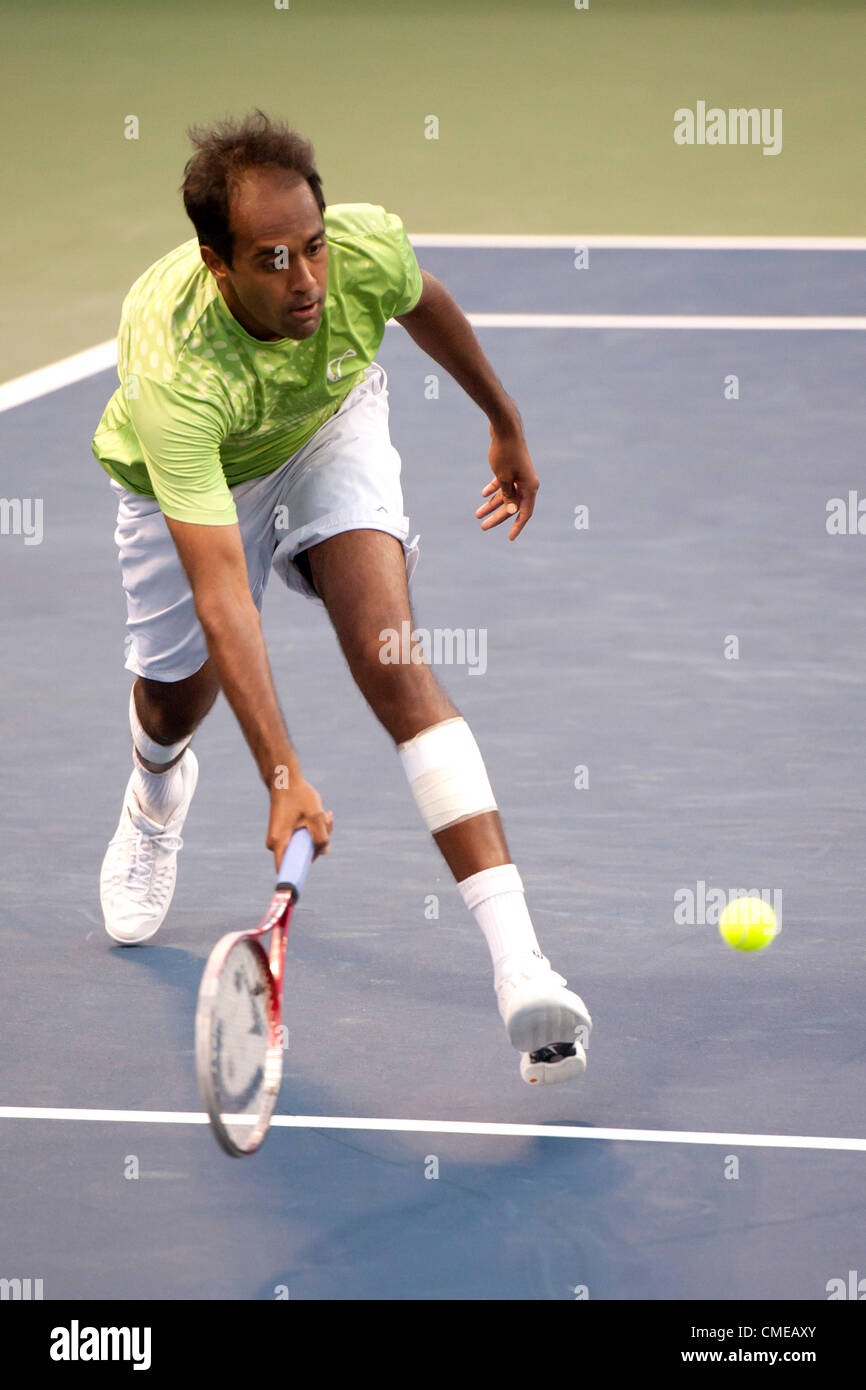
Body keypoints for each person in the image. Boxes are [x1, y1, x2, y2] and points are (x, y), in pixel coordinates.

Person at [92, 110, 591, 1085]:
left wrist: (505, 423)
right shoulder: (175, 374)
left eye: (312, 247)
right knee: (170, 702)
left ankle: (521, 967)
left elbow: (424, 301)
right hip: (191, 483)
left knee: (392, 659)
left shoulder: (357, 253)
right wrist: (280, 773)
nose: (307, 280)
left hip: (327, 426)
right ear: (214, 262)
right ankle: (156, 793)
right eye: (273, 260)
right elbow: (225, 597)